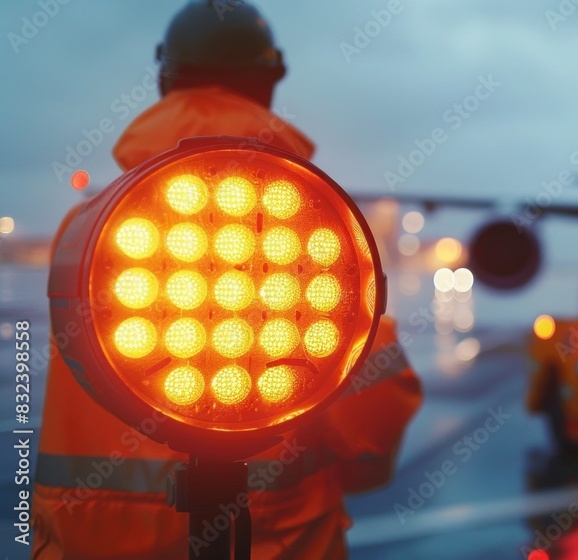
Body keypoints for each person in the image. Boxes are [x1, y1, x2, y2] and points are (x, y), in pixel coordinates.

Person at [32, 1, 422, 558]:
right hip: (275, 542)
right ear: (270, 79)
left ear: (165, 77)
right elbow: (372, 434)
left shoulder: (90, 227)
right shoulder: (310, 226)